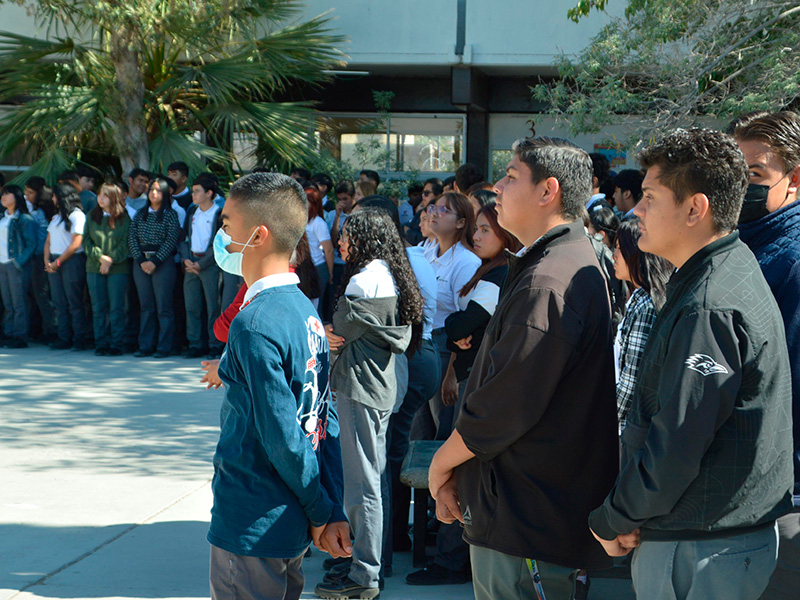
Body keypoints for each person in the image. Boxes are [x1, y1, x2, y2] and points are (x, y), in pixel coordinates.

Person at [589, 128, 795, 600]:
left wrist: (613, 518)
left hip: (701, 549)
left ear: (694, 209)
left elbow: (676, 445)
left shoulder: (709, 304)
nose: (636, 212)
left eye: (649, 198)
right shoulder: (726, 268)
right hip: (713, 540)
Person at [429, 137, 620, 600]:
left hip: (524, 517)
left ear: (547, 190)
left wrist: (441, 464)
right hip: (528, 509)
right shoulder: (560, 259)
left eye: (511, 176)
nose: (497, 186)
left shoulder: (549, 279)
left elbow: (504, 405)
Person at [208, 172, 349, 600]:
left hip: (254, 519)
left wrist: (322, 510)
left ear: (258, 235)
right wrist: (329, 506)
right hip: (290, 520)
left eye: (227, 224)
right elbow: (325, 418)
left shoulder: (253, 323)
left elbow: (284, 436)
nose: (221, 235)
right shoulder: (304, 310)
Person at [407, 201, 521, 586]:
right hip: (464, 373)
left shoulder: (498, 273)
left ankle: (452, 559)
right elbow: (459, 327)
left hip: (478, 380)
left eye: (487, 230)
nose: (478, 235)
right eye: (479, 228)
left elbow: (460, 323)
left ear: (506, 235)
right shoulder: (489, 269)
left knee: (458, 466)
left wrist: (460, 330)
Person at [315, 208, 422, 599]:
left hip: (359, 390)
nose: (340, 242)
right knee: (371, 482)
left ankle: (364, 576)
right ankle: (367, 566)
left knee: (362, 488)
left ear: (365, 240)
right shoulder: (388, 275)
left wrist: (329, 328)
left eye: (346, 236)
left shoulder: (363, 281)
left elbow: (340, 331)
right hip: (377, 389)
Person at [730, 111, 800, 600]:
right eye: (737, 173)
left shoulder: (790, 259)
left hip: (776, 493)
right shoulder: (746, 243)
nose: (743, 187)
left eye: (756, 174)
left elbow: (787, 379)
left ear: (794, 180)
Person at [423, 192, 481, 439]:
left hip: (446, 348)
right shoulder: (427, 252)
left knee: (442, 425)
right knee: (419, 427)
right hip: (422, 343)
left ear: (461, 222)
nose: (434, 213)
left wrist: (452, 374)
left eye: (444, 210)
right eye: (434, 207)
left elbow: (464, 322)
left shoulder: (466, 262)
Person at [612, 218, 673, 432]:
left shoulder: (646, 307)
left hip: (627, 429)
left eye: (620, 249)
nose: (614, 255)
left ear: (637, 254)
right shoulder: (640, 300)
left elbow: (631, 381)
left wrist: (604, 419)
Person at [128, 177, 181, 358]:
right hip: (141, 263)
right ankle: (145, 345)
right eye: (151, 189)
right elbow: (132, 238)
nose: (154, 193)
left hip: (162, 263)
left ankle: (164, 346)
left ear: (165, 193)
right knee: (146, 306)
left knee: (164, 307)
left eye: (158, 190)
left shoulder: (170, 214)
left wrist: (155, 262)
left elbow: (171, 240)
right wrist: (141, 260)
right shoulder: (140, 214)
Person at [83, 183, 131, 356]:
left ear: (113, 198)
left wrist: (110, 259)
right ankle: (100, 343)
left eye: (105, 195)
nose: (100, 198)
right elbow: (86, 240)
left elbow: (126, 243)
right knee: (98, 307)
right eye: (99, 195)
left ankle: (116, 343)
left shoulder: (124, 217)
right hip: (94, 267)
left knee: (117, 307)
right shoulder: (92, 215)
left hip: (118, 268)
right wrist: (100, 257)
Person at [180, 177, 222, 359]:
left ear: (209, 193)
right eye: (193, 191)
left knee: (213, 306)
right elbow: (184, 239)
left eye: (197, 191)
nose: (193, 194)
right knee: (192, 306)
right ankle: (195, 343)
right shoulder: (192, 212)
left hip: (209, 264)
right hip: (191, 263)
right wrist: (186, 259)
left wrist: (203, 263)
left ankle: (215, 344)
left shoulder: (218, 213)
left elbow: (219, 242)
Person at [45, 183, 88, 350]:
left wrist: (58, 262)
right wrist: (47, 261)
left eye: (54, 195)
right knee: (59, 302)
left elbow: (76, 244)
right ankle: (64, 337)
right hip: (55, 260)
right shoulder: (57, 217)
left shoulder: (77, 215)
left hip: (71, 261)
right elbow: (48, 241)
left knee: (74, 302)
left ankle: (79, 338)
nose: (52, 198)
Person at [0, 185, 37, 347]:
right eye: (2, 194)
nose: (3, 197)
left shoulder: (25, 219)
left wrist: (19, 262)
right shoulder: (3, 218)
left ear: (17, 197)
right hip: (2, 264)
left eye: (7, 194)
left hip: (15, 264)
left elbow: (31, 243)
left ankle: (20, 336)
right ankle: (9, 333)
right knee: (8, 303)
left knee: (19, 302)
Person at [24, 177, 57, 341]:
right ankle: (40, 328)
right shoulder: (45, 211)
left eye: (30, 192)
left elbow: (40, 239)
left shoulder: (38, 214)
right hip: (42, 256)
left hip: (39, 257)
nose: (26, 195)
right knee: (38, 295)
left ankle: (51, 330)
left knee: (41, 294)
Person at [305, 184, 334, 312]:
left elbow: (329, 250)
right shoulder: (300, 220)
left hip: (317, 267)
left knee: (316, 307)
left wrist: (330, 273)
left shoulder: (318, 223)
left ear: (313, 203)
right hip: (304, 267)